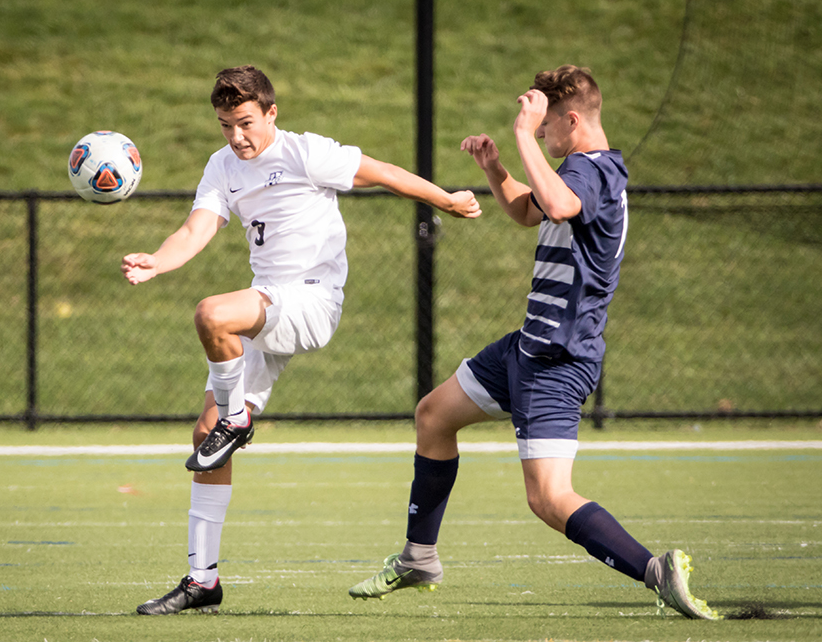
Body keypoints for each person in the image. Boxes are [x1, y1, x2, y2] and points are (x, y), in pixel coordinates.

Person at [347, 65, 720, 620]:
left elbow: (564, 204)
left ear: (571, 119)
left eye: (546, 126)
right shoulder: (575, 170)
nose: (540, 134)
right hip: (526, 348)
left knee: (547, 497)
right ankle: (419, 557)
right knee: (433, 415)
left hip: (560, 360)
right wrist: (497, 168)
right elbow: (530, 209)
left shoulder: (593, 172)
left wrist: (522, 136)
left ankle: (655, 571)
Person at [123, 65, 482, 615]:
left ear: (271, 113)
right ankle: (203, 581)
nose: (236, 137)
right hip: (267, 304)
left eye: (245, 122)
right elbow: (196, 229)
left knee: (212, 314)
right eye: (224, 125)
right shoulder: (222, 167)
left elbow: (381, 171)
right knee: (204, 436)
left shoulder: (303, 152)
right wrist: (158, 261)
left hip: (311, 300)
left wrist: (447, 200)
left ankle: (235, 419)